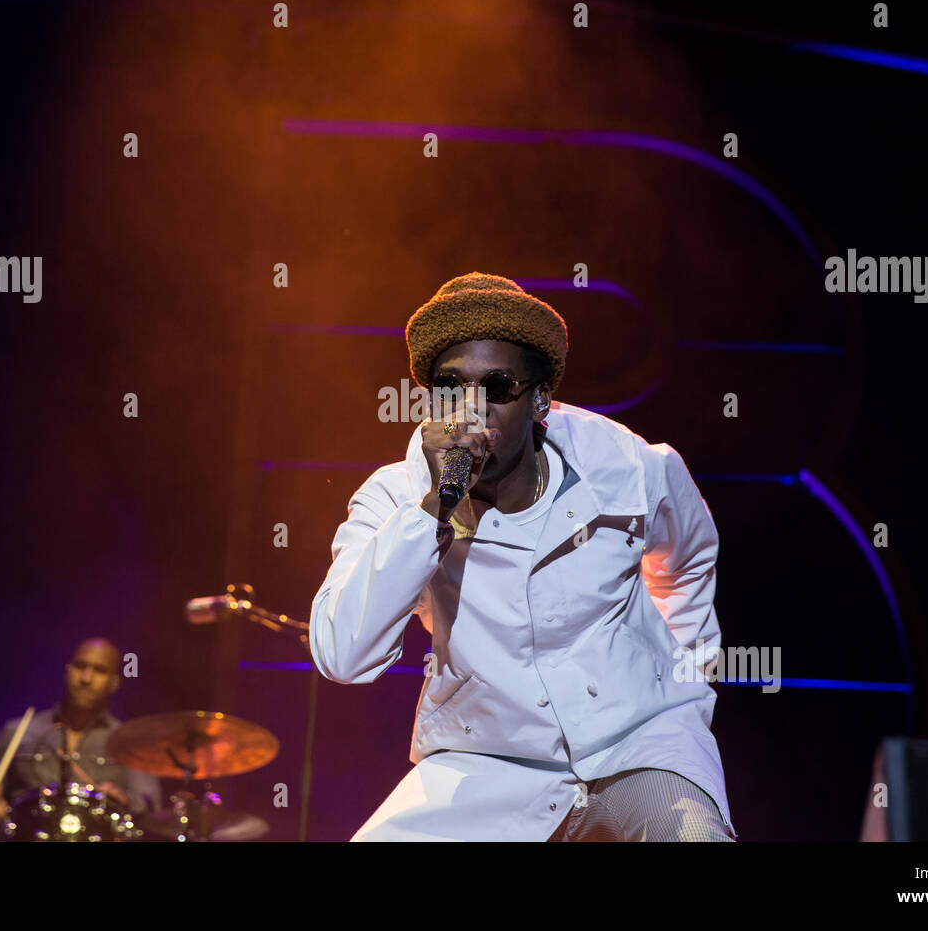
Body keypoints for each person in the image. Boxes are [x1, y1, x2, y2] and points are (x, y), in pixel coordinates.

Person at [309, 272, 737, 841]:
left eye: (497, 386)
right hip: (486, 762)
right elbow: (342, 655)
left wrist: (685, 681)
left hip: (638, 744)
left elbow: (688, 558)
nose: (471, 409)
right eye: (450, 385)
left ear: (540, 399)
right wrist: (433, 510)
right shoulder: (396, 497)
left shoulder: (626, 467)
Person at [0, 637, 163, 838]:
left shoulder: (131, 741)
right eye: (80, 666)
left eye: (99, 670)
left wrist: (122, 800)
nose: (86, 678)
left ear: (114, 683)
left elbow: (150, 806)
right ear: (68, 671)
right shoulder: (18, 731)